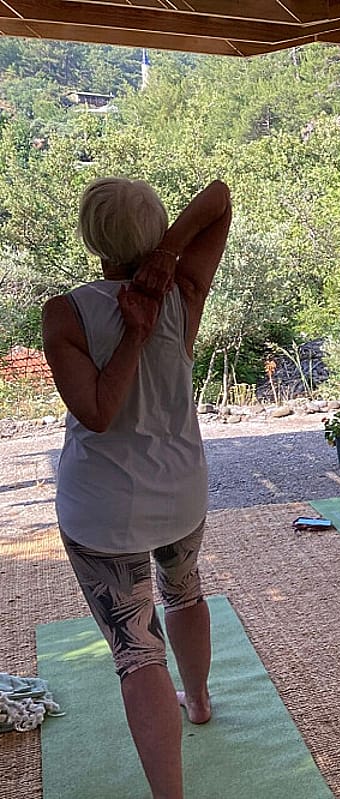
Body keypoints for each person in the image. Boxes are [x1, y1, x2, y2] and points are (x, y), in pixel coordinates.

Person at [42, 177, 231, 799]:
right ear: (151, 232)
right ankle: (197, 701)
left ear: (91, 237)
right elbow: (217, 198)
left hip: (102, 512)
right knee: (184, 593)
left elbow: (95, 411)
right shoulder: (183, 293)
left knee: (136, 651)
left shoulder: (67, 312)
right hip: (179, 494)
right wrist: (167, 259)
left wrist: (140, 310)